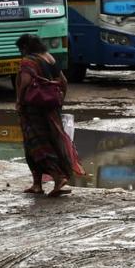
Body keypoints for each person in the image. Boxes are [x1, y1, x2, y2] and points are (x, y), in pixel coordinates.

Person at [14, 34, 83, 197]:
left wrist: (19, 101)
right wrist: (60, 100)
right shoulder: (49, 58)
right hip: (51, 107)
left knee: (36, 144)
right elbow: (63, 81)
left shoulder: (28, 61)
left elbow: (24, 82)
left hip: (33, 109)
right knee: (50, 141)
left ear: (25, 47)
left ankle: (58, 178)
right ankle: (36, 184)